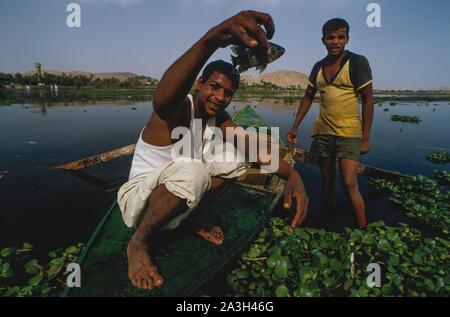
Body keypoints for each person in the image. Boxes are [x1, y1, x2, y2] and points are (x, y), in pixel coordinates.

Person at [117, 10, 309, 290]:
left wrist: (291, 174)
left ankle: (189, 221)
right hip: (139, 201)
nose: (220, 97)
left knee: (235, 159)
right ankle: (139, 243)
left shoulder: (217, 117)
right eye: (214, 87)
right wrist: (211, 40)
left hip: (177, 188)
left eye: (228, 93)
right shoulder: (177, 111)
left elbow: (250, 145)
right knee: (193, 171)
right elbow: (161, 99)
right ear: (200, 84)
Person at [286, 18, 374, 229]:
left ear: (347, 39)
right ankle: (330, 220)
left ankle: (362, 230)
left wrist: (365, 138)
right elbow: (308, 97)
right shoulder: (319, 66)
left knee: (349, 183)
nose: (336, 42)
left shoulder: (358, 62)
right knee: (327, 180)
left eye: (340, 37)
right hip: (323, 132)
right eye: (331, 37)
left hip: (349, 134)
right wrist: (295, 126)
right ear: (323, 40)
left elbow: (368, 100)